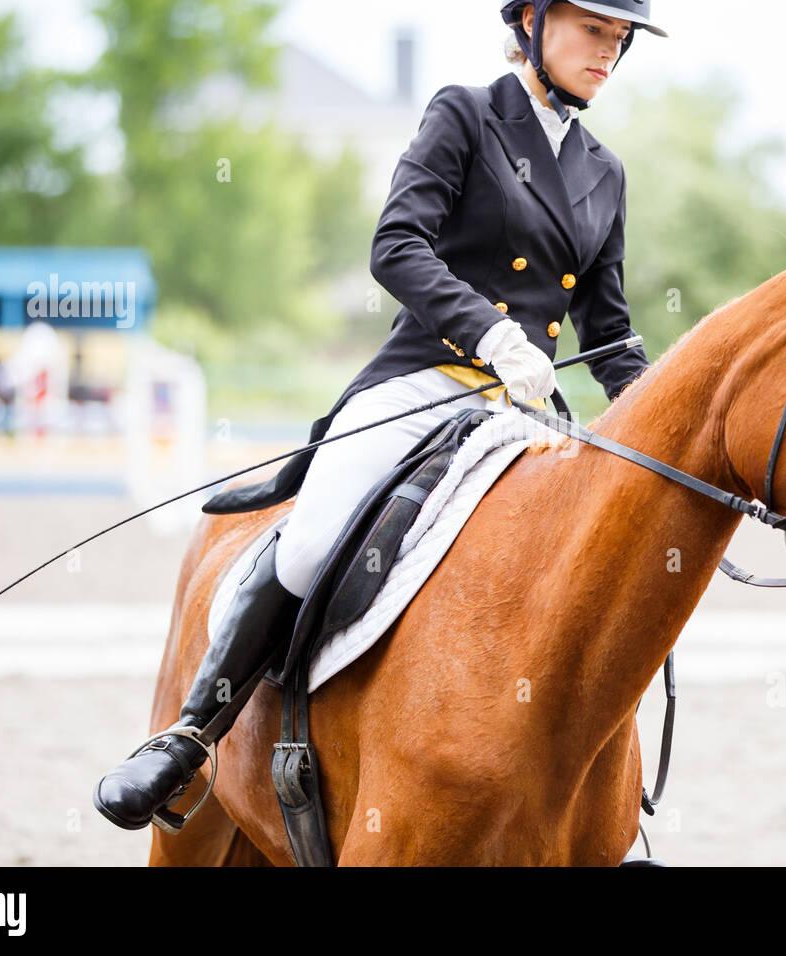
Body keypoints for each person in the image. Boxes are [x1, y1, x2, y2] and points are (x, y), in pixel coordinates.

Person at [93, 0, 666, 832]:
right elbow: (397, 246)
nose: (608, 54)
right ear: (534, 21)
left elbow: (609, 332)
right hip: (427, 379)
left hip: (527, 412)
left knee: (586, 579)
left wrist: (652, 422)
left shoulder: (604, 171)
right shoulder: (466, 115)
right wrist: (491, 331)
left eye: (620, 41)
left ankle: (609, 814)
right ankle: (191, 735)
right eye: (593, 31)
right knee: (318, 534)